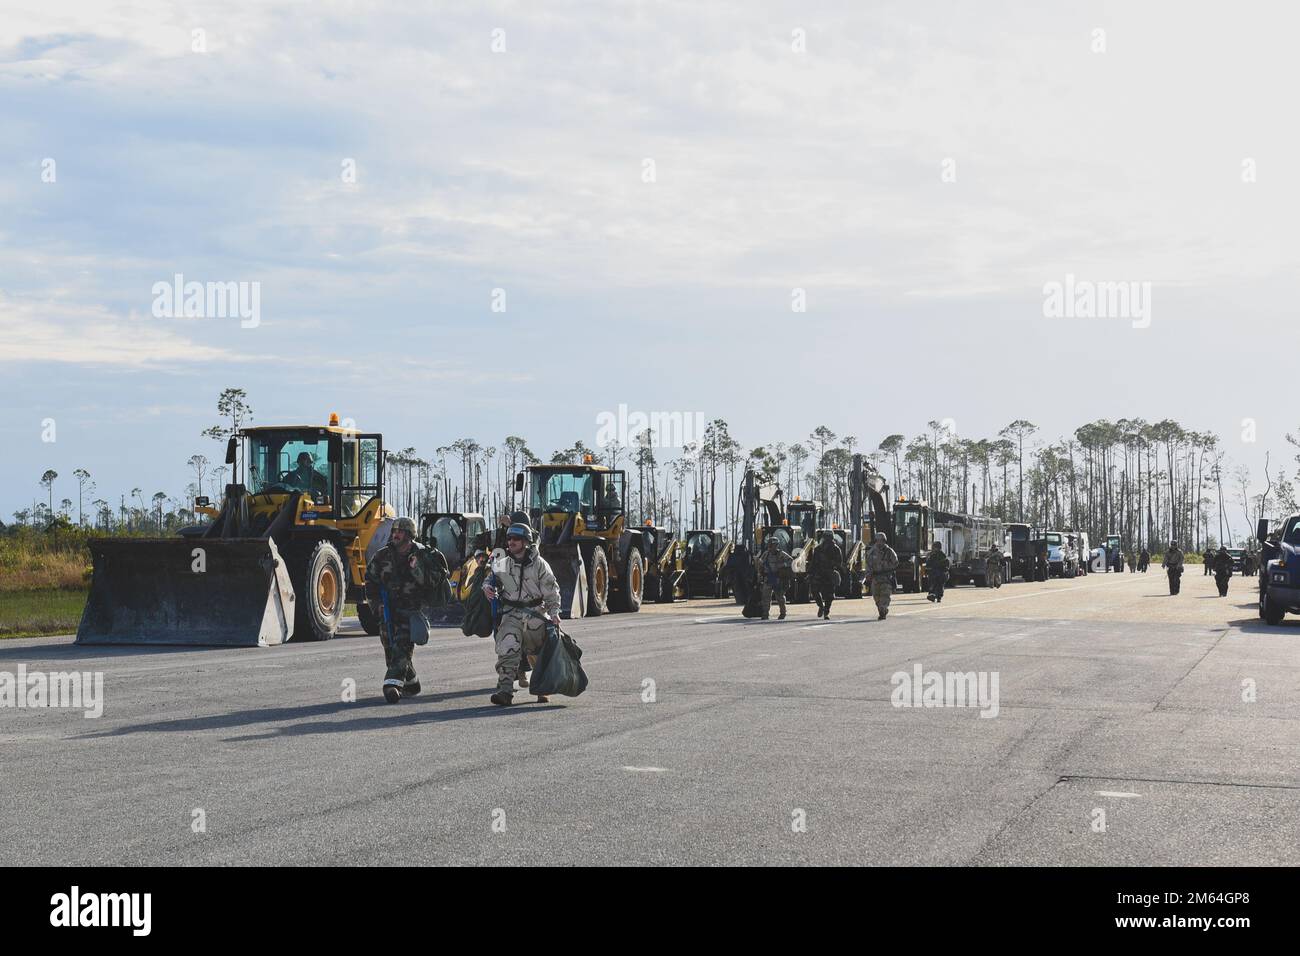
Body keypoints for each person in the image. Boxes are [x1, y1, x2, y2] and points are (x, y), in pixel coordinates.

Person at [365, 516, 445, 703]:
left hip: (412, 610)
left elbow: (434, 581)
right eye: (394, 531)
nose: (395, 534)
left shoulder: (423, 555)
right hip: (388, 611)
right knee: (390, 648)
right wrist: (376, 604)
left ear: (409, 535)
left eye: (400, 531)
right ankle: (411, 683)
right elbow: (370, 580)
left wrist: (417, 569)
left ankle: (391, 686)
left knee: (402, 645)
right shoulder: (382, 556)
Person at [482, 522, 561, 706]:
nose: (511, 542)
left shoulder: (540, 565)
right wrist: (486, 587)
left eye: (516, 538)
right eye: (509, 538)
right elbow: (489, 581)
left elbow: (551, 591)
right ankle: (505, 691)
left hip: (536, 615)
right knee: (507, 649)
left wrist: (555, 613)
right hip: (511, 614)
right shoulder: (502, 564)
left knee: (540, 653)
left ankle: (543, 689)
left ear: (526, 541)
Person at [810, 530, 843, 619]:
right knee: (815, 591)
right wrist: (810, 573)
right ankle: (821, 606)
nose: (827, 540)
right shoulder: (818, 549)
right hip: (819, 572)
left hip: (829, 573)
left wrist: (830, 564)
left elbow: (839, 563)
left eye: (829, 538)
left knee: (830, 595)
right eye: (826, 538)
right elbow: (813, 563)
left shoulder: (836, 549)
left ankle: (826, 612)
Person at [866, 532, 899, 620]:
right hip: (875, 578)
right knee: (876, 597)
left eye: (882, 540)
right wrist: (868, 574)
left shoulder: (889, 551)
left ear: (884, 541)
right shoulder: (872, 552)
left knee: (885, 596)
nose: (880, 542)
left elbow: (895, 563)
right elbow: (868, 564)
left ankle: (883, 610)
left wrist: (885, 565)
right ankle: (882, 610)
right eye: (878, 540)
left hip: (886, 577)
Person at [758, 537, 792, 620]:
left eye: (772, 544)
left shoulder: (781, 553)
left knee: (780, 597)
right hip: (768, 578)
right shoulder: (766, 554)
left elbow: (791, 561)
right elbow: (761, 563)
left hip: (777, 578)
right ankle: (765, 614)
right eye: (769, 544)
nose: (770, 546)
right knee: (766, 597)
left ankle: (783, 613)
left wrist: (782, 565)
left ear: (776, 545)